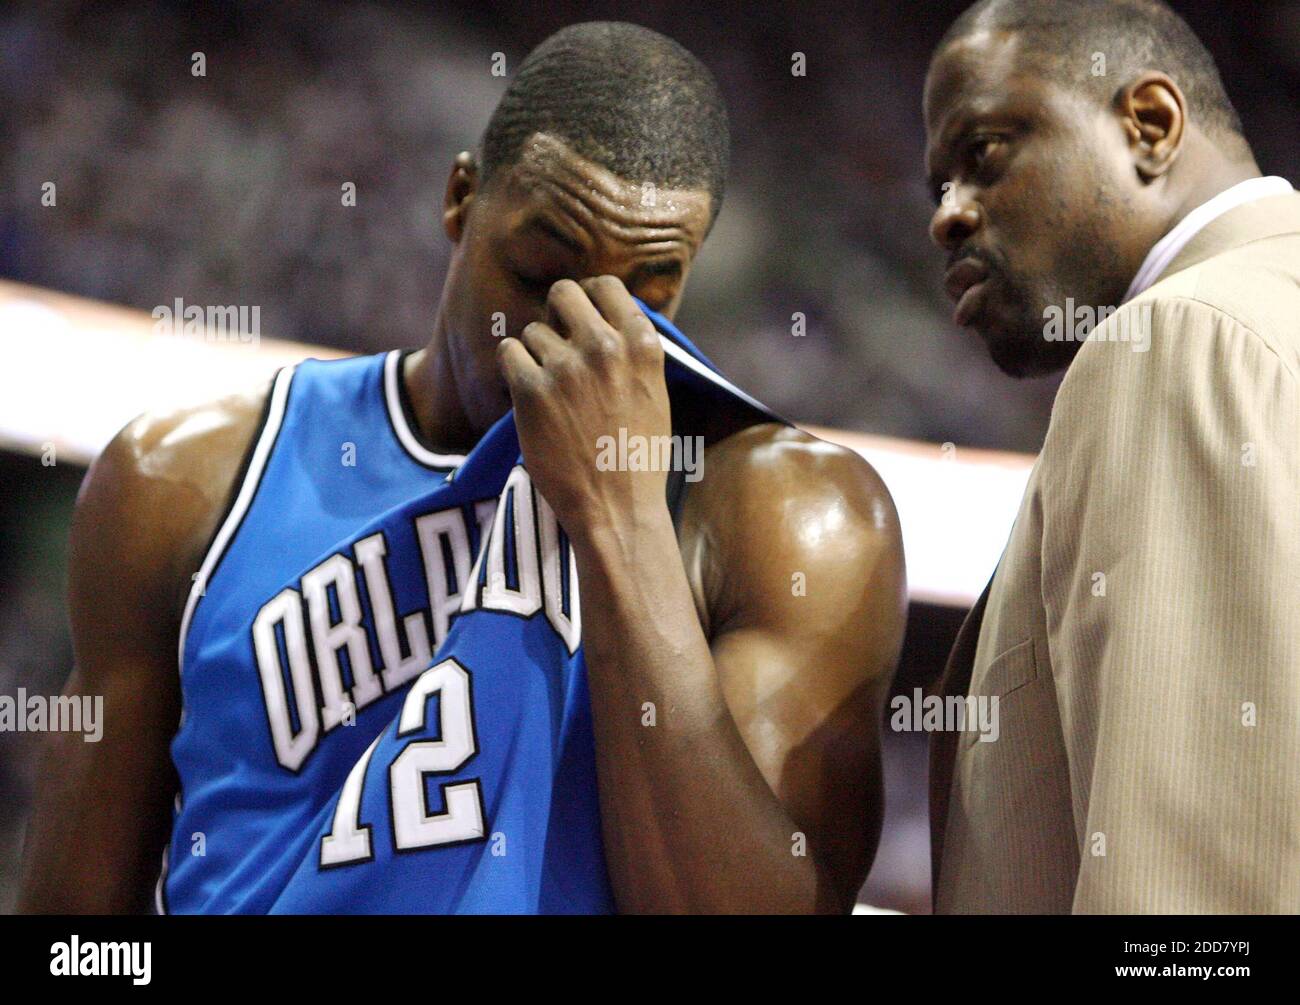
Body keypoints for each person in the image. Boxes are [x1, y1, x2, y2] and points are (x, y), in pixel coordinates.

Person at [19, 21, 906, 914]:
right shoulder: (186, 478)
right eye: (536, 271)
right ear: (459, 198)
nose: (576, 330)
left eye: (642, 295)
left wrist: (621, 519)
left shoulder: (784, 514)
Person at [925, 0, 1300, 912]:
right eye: (936, 186)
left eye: (983, 154)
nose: (947, 216)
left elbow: (1198, 917)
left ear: (1151, 124)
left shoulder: (1174, 339)